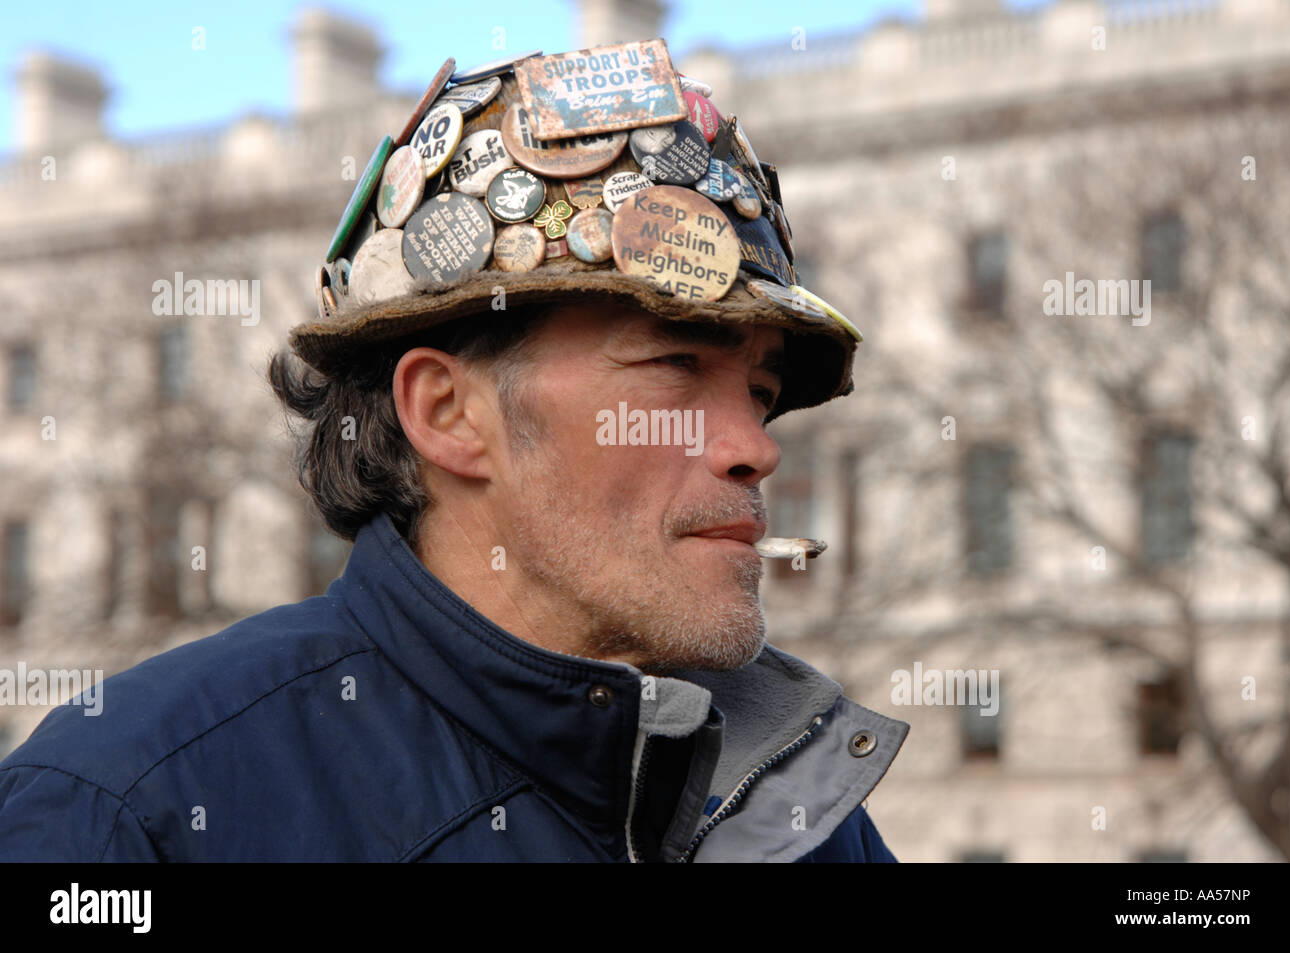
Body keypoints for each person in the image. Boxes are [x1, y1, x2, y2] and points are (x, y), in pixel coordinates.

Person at [0, 41, 908, 862]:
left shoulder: (804, 811)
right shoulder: (126, 809)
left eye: (760, 391)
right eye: (675, 366)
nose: (757, 447)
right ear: (448, 414)